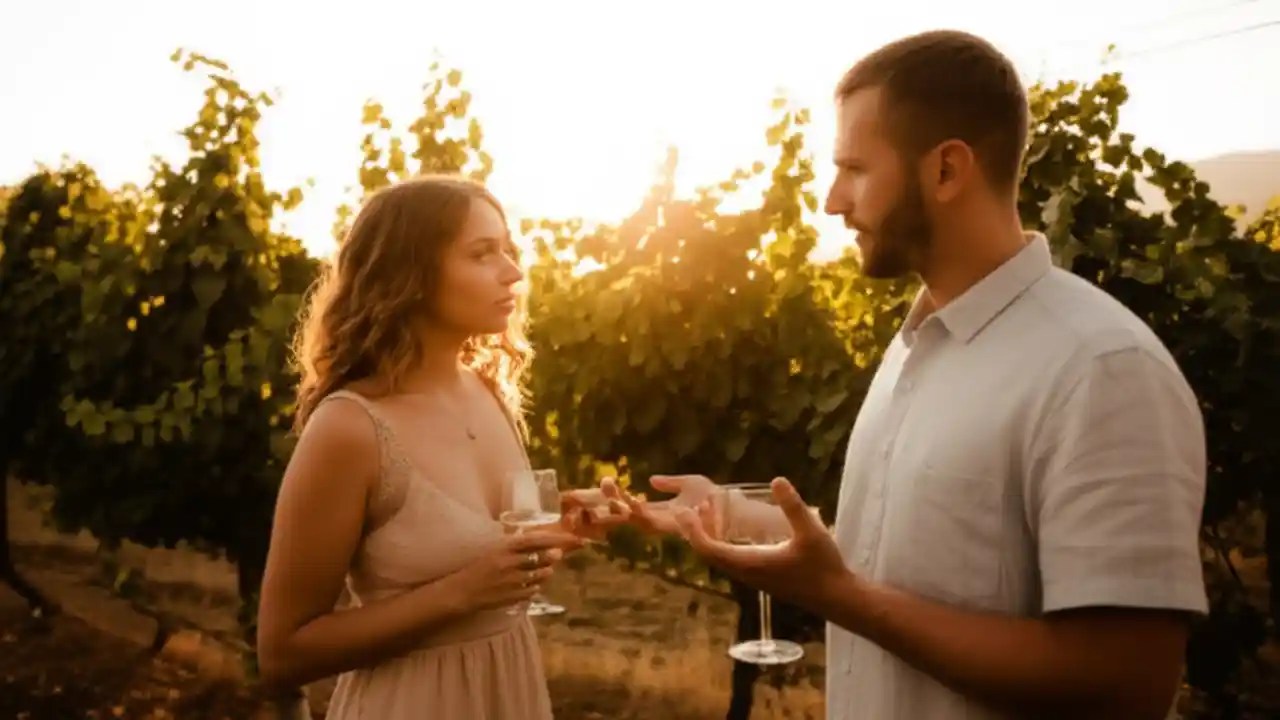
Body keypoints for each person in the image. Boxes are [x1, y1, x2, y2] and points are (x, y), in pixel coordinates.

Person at [600, 29, 1208, 720]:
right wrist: (727, 515)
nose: (832, 201)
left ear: (946, 170)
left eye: (855, 169)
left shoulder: (1099, 368)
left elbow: (1125, 686)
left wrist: (838, 598)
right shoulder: (920, 343)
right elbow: (891, 555)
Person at [255, 175, 584, 719]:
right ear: (409, 274)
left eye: (508, 249)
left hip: (509, 694)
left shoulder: (489, 390)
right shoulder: (351, 428)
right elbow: (281, 653)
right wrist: (462, 593)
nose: (513, 272)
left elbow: (483, 544)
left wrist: (560, 527)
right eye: (483, 253)